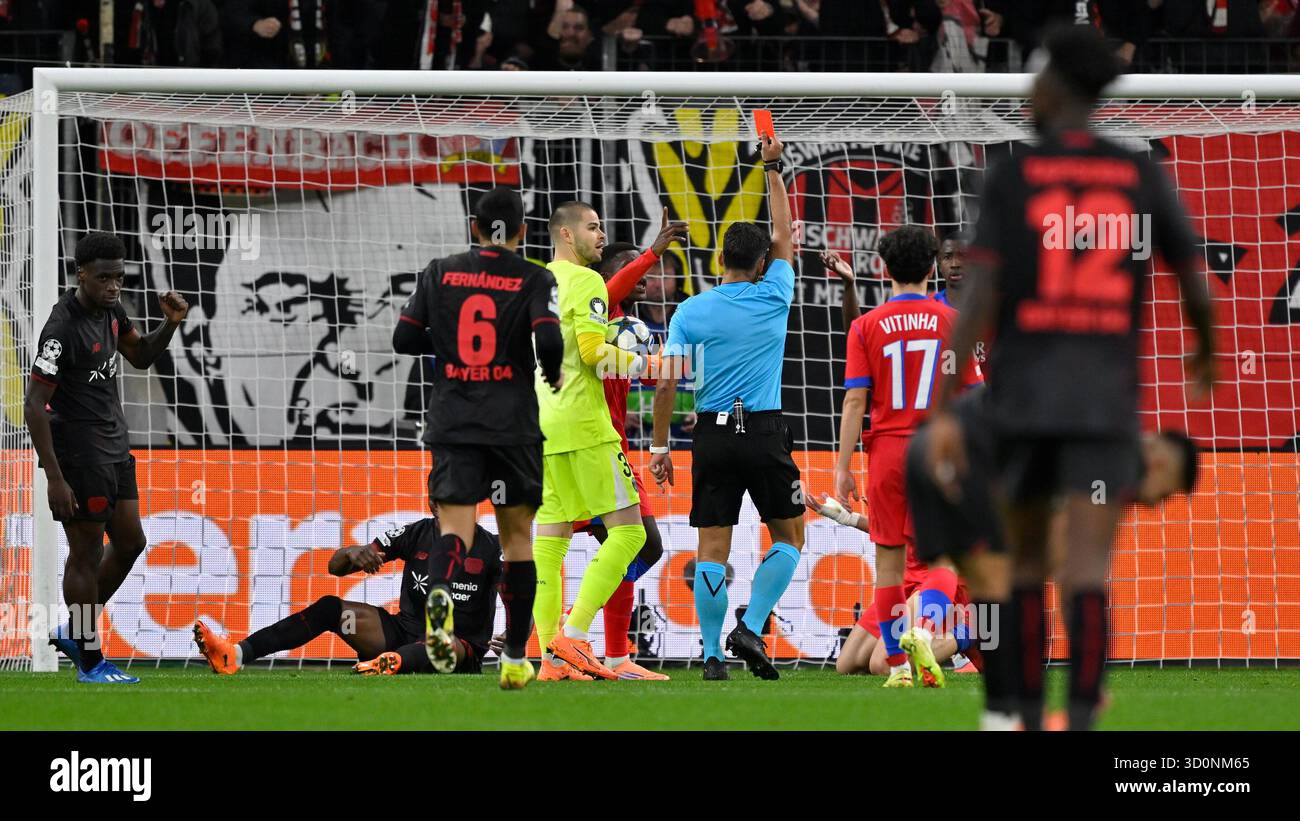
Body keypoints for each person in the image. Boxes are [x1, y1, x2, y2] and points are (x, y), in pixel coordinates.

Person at [926, 24, 1215, 730]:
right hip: (1102, 406)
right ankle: (1080, 719)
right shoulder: (1139, 170)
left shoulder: (1016, 175)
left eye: (1037, 73)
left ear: (1056, 84)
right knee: (1086, 570)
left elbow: (978, 298)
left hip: (1023, 404)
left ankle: (1022, 711)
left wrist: (942, 405)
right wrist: (1205, 350)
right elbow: (1195, 280)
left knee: (1025, 564)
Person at [392, 186, 564, 690]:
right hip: (512, 426)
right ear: (523, 231)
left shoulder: (440, 272)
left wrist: (446, 347)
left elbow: (403, 338)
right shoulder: (536, 276)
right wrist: (550, 371)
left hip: (455, 422)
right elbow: (548, 338)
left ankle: (439, 607)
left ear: (473, 226)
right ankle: (513, 655)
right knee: (516, 541)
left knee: (455, 531)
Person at [648, 132, 804, 682]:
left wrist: (661, 445)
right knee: (789, 537)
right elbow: (784, 234)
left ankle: (712, 655)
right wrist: (773, 168)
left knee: (712, 546)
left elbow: (667, 385)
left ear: (719, 258)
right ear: (763, 262)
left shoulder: (691, 310)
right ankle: (752, 625)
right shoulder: (775, 291)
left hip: (711, 436)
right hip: (763, 432)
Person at [30, 231, 190, 684]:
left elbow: (139, 356)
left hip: (115, 449)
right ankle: (90, 659)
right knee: (85, 553)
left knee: (131, 543)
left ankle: (74, 631)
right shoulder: (62, 329)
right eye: (104, 278)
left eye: (119, 278)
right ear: (81, 274)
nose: (114, 286)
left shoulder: (112, 311)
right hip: (80, 457)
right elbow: (32, 405)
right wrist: (55, 478)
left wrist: (171, 323)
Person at [834, 224, 982, 688]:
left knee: (889, 565)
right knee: (943, 560)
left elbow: (855, 402)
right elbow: (974, 395)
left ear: (884, 268)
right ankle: (925, 630)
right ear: (932, 266)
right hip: (938, 448)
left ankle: (898, 667)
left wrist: (842, 466)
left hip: (886, 452)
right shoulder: (954, 321)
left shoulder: (866, 325)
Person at [554, 211, 687, 682]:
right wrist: (653, 251)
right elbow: (608, 296)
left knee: (632, 547)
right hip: (584, 446)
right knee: (639, 543)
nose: (647, 280)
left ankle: (603, 655)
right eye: (634, 269)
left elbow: (654, 373)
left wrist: (688, 365)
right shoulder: (591, 304)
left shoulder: (622, 326)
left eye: (646, 270)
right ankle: (572, 640)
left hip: (605, 447)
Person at [532, 201, 652, 681]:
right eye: (592, 226)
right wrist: (648, 364)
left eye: (602, 226)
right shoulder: (588, 283)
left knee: (551, 544)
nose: (601, 235)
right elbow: (591, 353)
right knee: (631, 533)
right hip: (585, 425)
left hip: (541, 427)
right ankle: (575, 636)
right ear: (566, 233)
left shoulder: (533, 284)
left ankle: (549, 659)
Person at [193, 515, 502, 676]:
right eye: (435, 500)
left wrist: (512, 639)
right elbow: (335, 567)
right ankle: (234, 655)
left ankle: (391, 663)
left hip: (458, 648)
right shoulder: (415, 534)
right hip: (403, 635)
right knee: (331, 609)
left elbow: (521, 604)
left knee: (442, 643)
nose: (440, 507)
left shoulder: (491, 547)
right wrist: (353, 554)